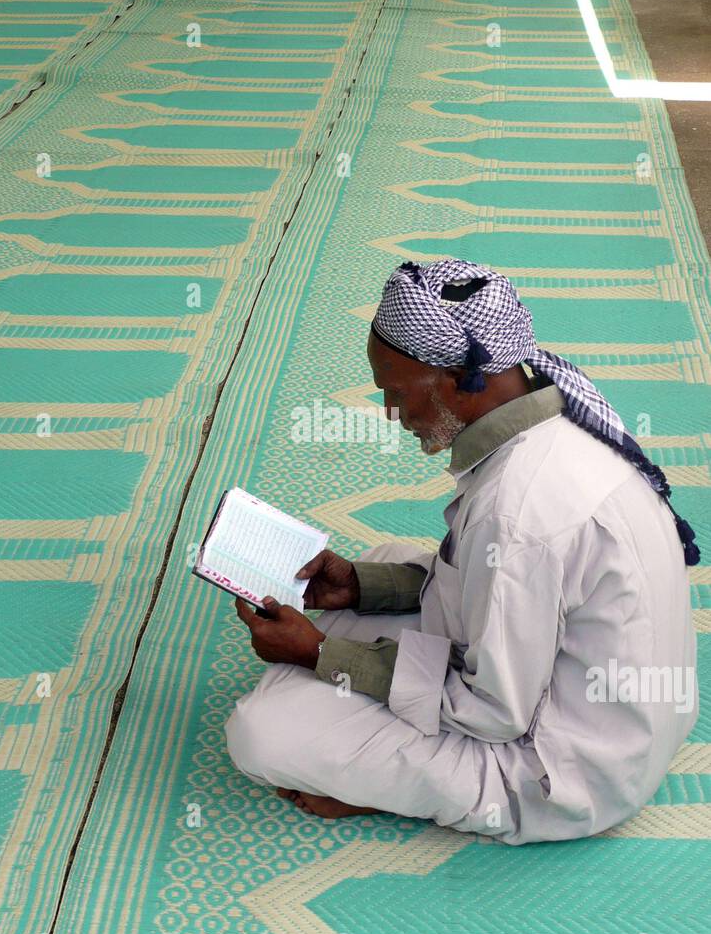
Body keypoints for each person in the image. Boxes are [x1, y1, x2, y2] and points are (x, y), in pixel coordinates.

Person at [227, 260, 699, 844]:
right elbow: (491, 581)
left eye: (396, 392)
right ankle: (353, 664)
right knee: (383, 560)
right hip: (628, 713)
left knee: (262, 733)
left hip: (560, 770)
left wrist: (322, 655)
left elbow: (494, 713)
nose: (390, 414)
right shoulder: (555, 421)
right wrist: (360, 586)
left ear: (455, 378)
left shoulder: (518, 513)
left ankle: (393, 785)